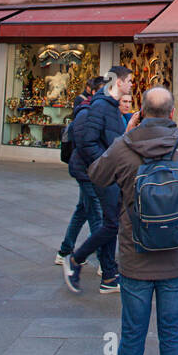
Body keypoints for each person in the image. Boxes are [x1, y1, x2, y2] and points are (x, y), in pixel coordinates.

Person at [89, 86, 178, 355]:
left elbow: (96, 174)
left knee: (132, 336)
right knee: (172, 335)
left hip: (135, 259)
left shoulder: (124, 147)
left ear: (142, 112)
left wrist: (124, 134)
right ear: (173, 113)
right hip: (176, 259)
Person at [64, 67, 131, 293]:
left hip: (111, 172)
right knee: (109, 223)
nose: (132, 85)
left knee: (112, 222)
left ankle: (109, 276)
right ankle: (76, 259)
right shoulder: (101, 106)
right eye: (129, 81)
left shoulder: (110, 107)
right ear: (119, 82)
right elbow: (87, 142)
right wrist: (107, 163)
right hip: (103, 174)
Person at [56, 76, 107, 267]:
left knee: (83, 210)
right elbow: (86, 146)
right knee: (97, 215)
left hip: (90, 170)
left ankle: (64, 251)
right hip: (87, 172)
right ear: (92, 92)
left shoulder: (96, 111)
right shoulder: (86, 114)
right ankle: (104, 263)